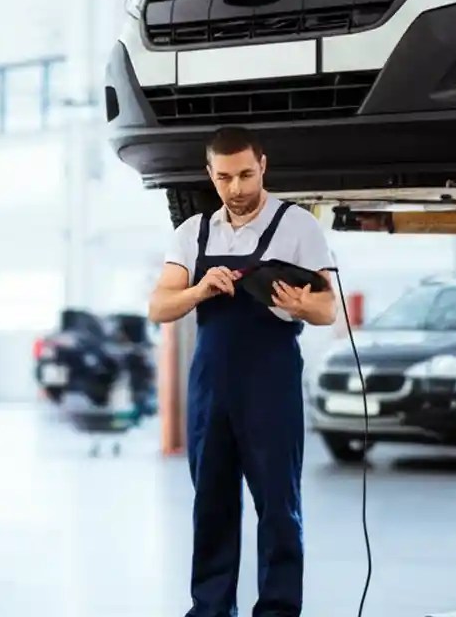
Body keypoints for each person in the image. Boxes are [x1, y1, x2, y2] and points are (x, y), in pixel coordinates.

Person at [148, 126, 337, 617]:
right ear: (211, 175)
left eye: (247, 174)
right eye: (226, 177)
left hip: (270, 383)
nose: (238, 188)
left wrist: (302, 304)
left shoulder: (298, 226)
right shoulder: (192, 233)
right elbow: (159, 307)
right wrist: (198, 291)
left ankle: (277, 609)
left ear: (263, 166)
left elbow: (328, 309)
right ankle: (210, 609)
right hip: (211, 385)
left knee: (278, 505)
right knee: (211, 503)